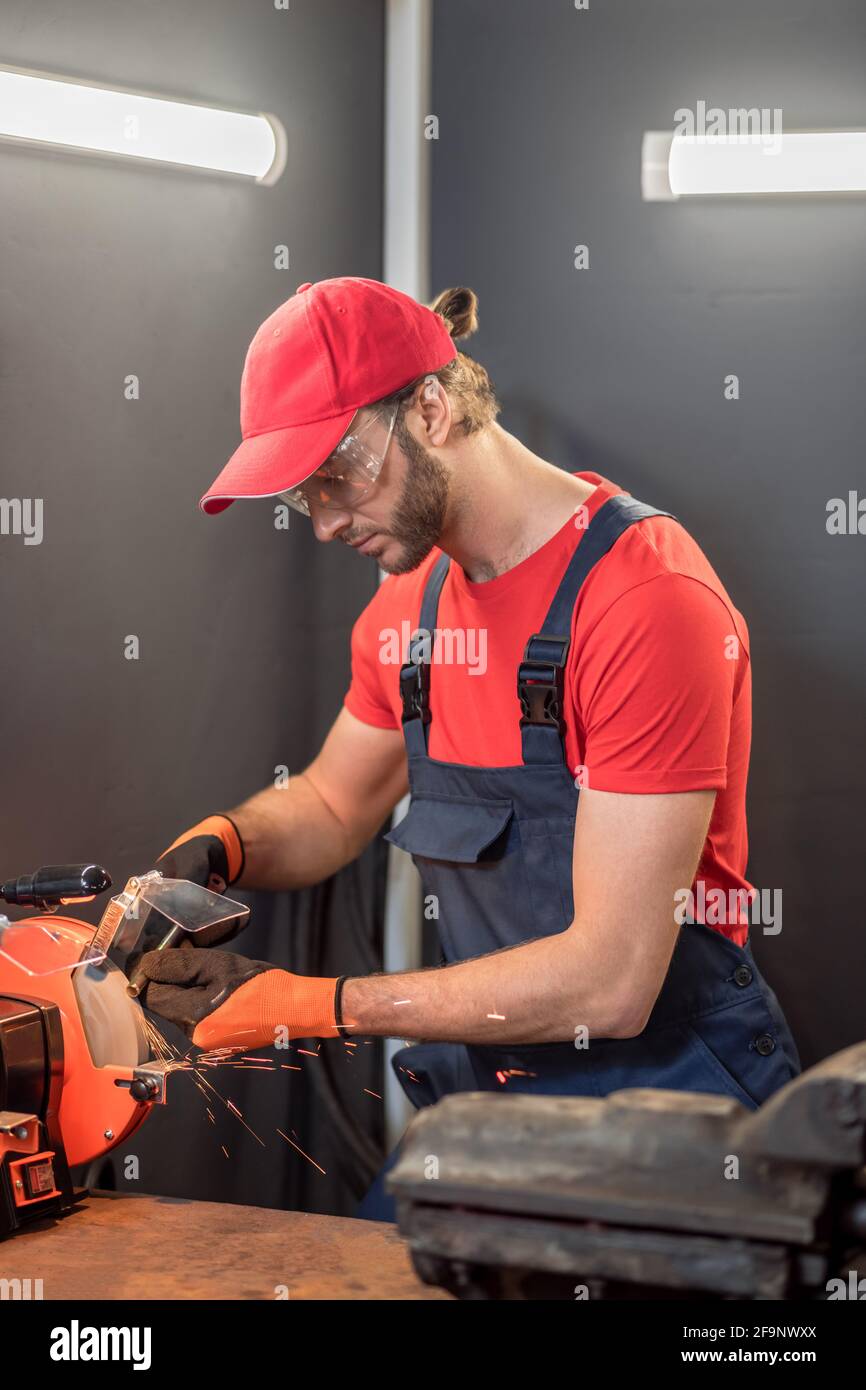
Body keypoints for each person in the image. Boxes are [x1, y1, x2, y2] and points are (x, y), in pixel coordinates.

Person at [135, 277, 800, 1221]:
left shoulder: (645, 603)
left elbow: (612, 982)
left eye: (335, 475)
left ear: (430, 409)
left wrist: (316, 1005)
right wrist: (224, 843)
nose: (324, 522)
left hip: (675, 1104)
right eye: (302, 495)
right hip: (500, 1105)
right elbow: (331, 806)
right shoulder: (409, 611)